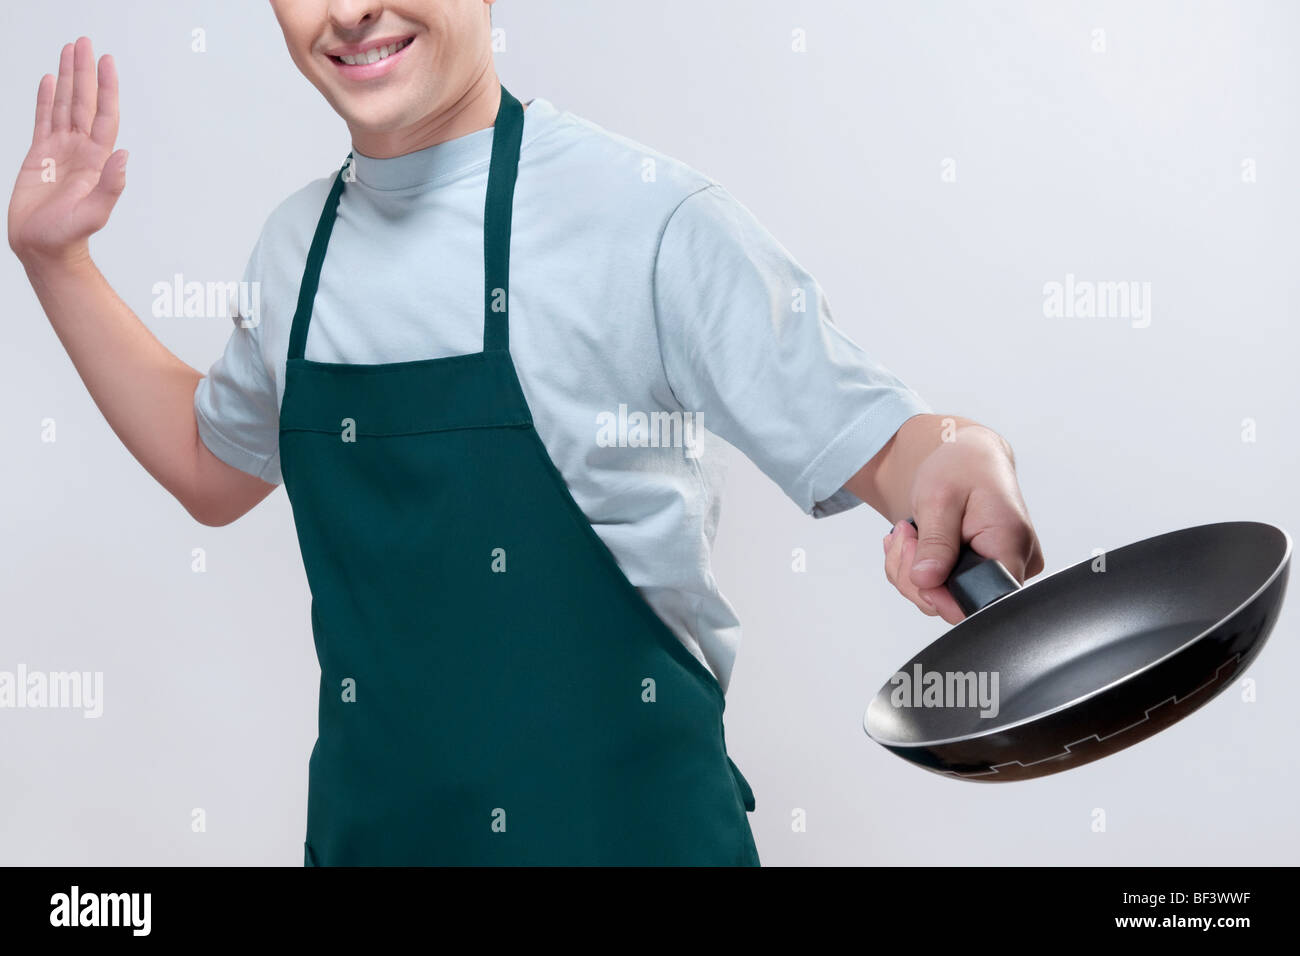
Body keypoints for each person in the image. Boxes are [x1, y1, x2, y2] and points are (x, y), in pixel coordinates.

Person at [8, 1, 1043, 866]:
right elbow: (210, 467)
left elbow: (883, 441)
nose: (354, 9)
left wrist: (960, 452)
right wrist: (58, 262)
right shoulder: (296, 249)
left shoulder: (647, 219)